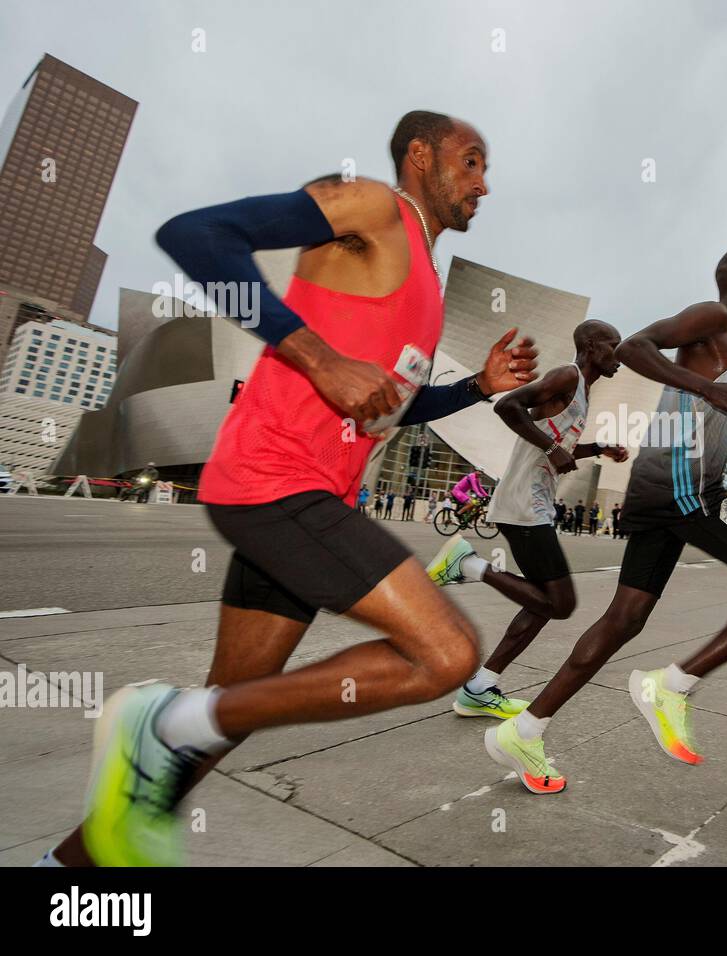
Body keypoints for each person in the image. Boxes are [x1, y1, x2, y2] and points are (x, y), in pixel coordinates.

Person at [42, 110, 541, 868]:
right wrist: (315, 356)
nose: (483, 182)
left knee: (223, 718)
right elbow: (195, 236)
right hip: (275, 482)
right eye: (470, 162)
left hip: (311, 498)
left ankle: (67, 871)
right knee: (443, 655)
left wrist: (475, 386)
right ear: (419, 155)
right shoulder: (374, 205)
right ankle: (160, 721)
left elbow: (390, 406)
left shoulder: (427, 284)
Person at [484, 246, 727, 795]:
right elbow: (635, 347)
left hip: (665, 492)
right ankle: (671, 687)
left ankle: (525, 729)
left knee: (624, 619)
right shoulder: (713, 315)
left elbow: (700, 400)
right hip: (687, 490)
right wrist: (709, 388)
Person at [425, 321, 626, 732]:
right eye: (613, 346)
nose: (618, 355)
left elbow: (559, 443)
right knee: (561, 603)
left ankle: (480, 687)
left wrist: (597, 449)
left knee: (542, 603)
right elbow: (507, 406)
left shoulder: (581, 390)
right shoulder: (567, 374)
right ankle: (468, 564)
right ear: (591, 346)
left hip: (530, 504)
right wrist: (552, 448)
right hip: (523, 504)